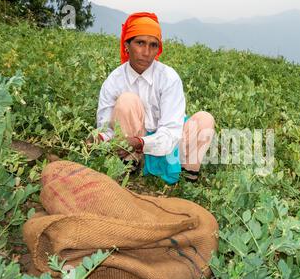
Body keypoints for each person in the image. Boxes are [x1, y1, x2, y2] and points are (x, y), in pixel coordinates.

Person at [92, 12, 215, 184]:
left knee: (205, 120)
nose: (146, 52)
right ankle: (131, 163)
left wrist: (140, 142)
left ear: (158, 49)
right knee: (127, 100)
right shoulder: (115, 81)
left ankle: (187, 173)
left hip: (165, 143)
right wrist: (99, 139)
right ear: (127, 45)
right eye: (140, 43)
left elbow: (171, 132)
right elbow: (106, 129)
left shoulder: (168, 77)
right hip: (132, 146)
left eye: (153, 45)